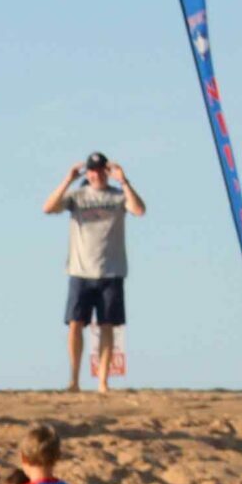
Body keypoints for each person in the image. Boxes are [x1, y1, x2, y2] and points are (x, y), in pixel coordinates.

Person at [44, 153, 144, 392]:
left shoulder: (118, 196)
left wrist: (124, 181)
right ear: (87, 173)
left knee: (107, 325)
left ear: (106, 172)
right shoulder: (77, 197)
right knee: (76, 324)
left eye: (100, 170)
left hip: (111, 271)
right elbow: (48, 208)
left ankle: (102, 382)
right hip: (80, 271)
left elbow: (139, 210)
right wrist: (67, 180)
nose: (96, 174)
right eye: (92, 171)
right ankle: (74, 380)